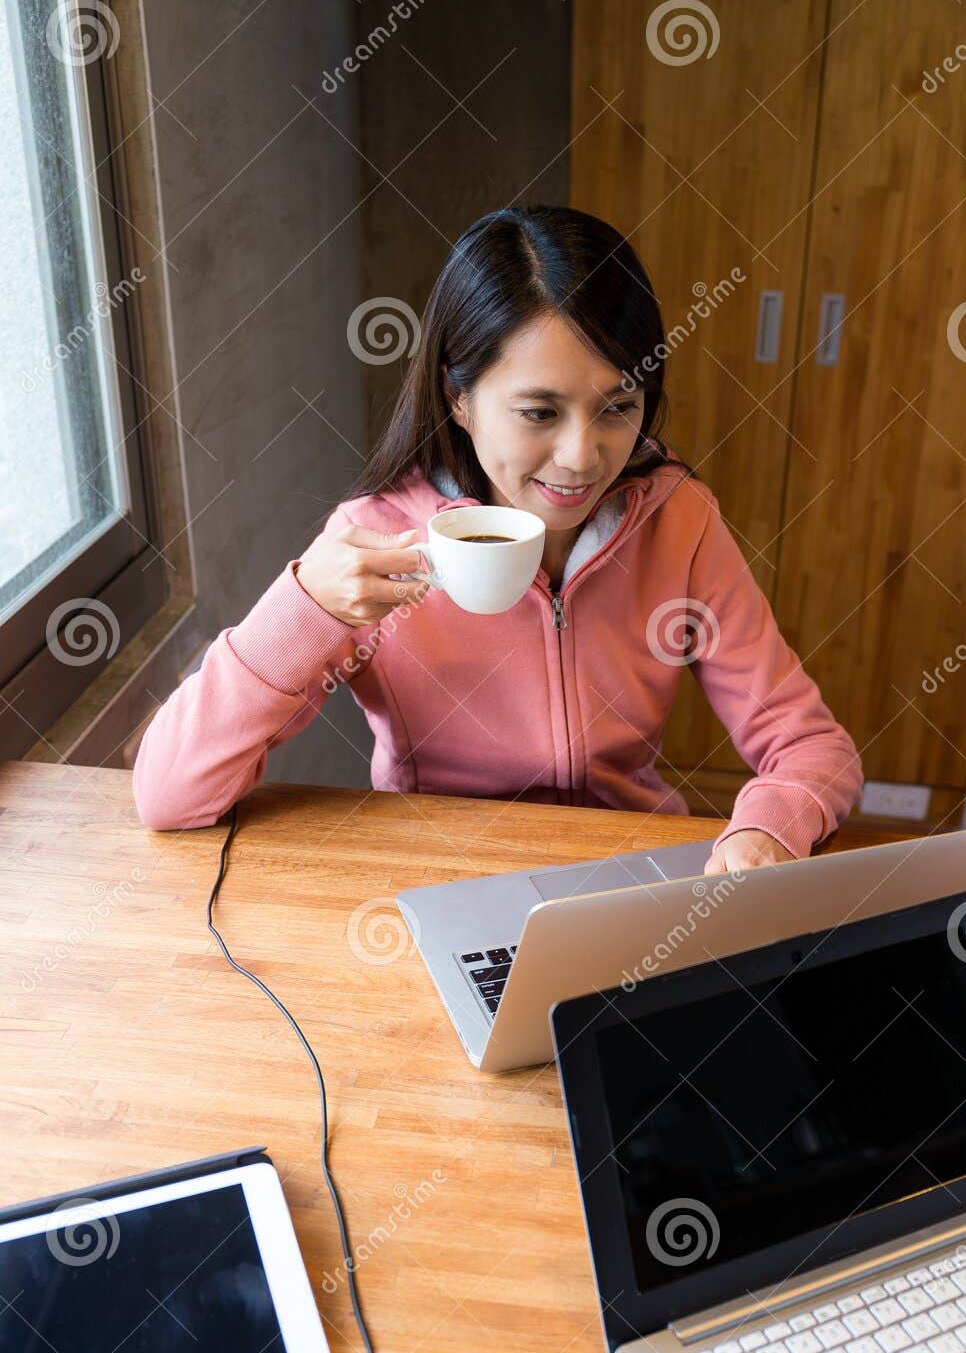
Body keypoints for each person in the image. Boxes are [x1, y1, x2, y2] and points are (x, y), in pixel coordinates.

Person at [133, 205, 862, 874]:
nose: (582, 456)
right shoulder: (375, 539)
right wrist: (302, 609)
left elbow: (811, 746)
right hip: (432, 878)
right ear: (459, 399)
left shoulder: (679, 521)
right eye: (539, 413)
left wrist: (766, 830)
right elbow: (170, 795)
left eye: (617, 407)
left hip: (624, 879)